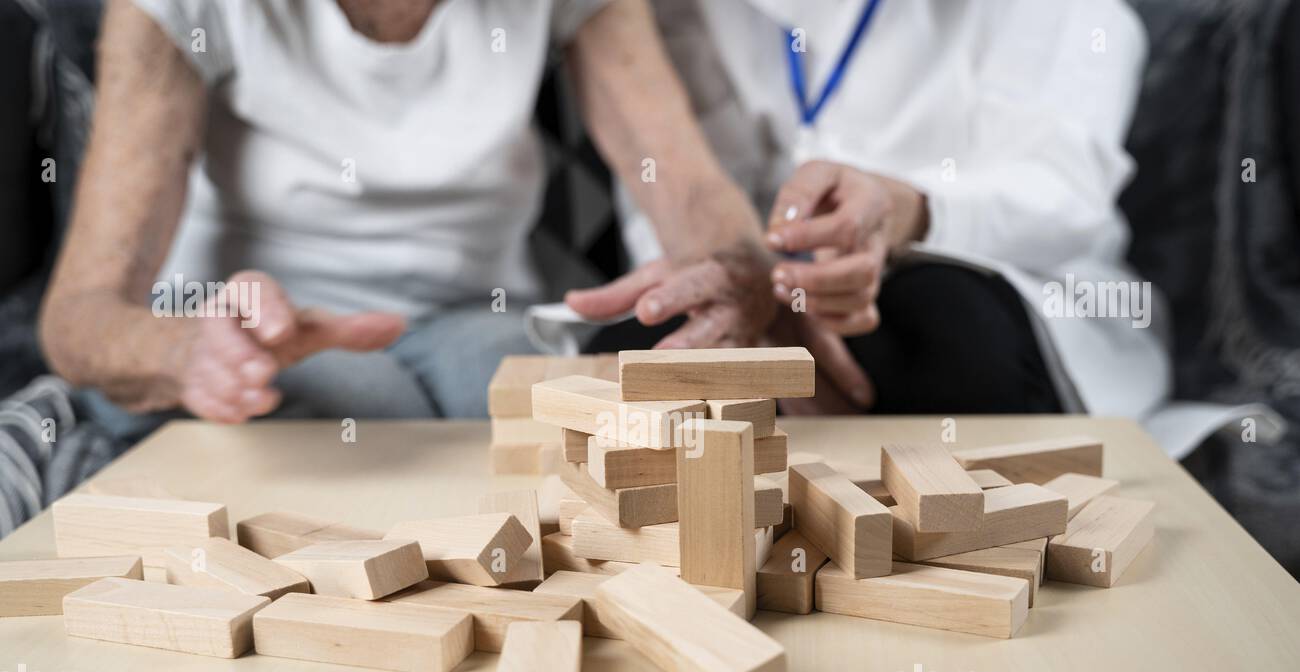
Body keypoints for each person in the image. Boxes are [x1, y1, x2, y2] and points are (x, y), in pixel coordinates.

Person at [38, 0, 775, 433]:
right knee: (371, 405)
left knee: (513, 379)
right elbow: (78, 318)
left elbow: (686, 187)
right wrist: (192, 354)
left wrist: (736, 274)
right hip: (276, 329)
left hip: (475, 312)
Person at [569, 0, 1170, 418]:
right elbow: (667, 180)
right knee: (637, 349)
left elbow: (1063, 193)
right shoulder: (677, 18)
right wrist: (734, 278)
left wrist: (905, 211)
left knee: (936, 331)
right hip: (767, 281)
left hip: (984, 277)